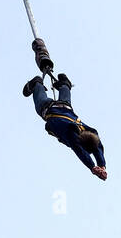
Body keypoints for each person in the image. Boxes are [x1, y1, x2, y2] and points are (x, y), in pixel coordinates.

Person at [23, 40, 107, 180]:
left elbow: (98, 145)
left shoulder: (87, 130)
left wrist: (102, 164)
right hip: (48, 109)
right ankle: (37, 83)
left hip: (65, 107)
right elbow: (79, 150)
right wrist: (92, 166)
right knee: (40, 98)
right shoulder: (71, 134)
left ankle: (64, 85)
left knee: (65, 94)